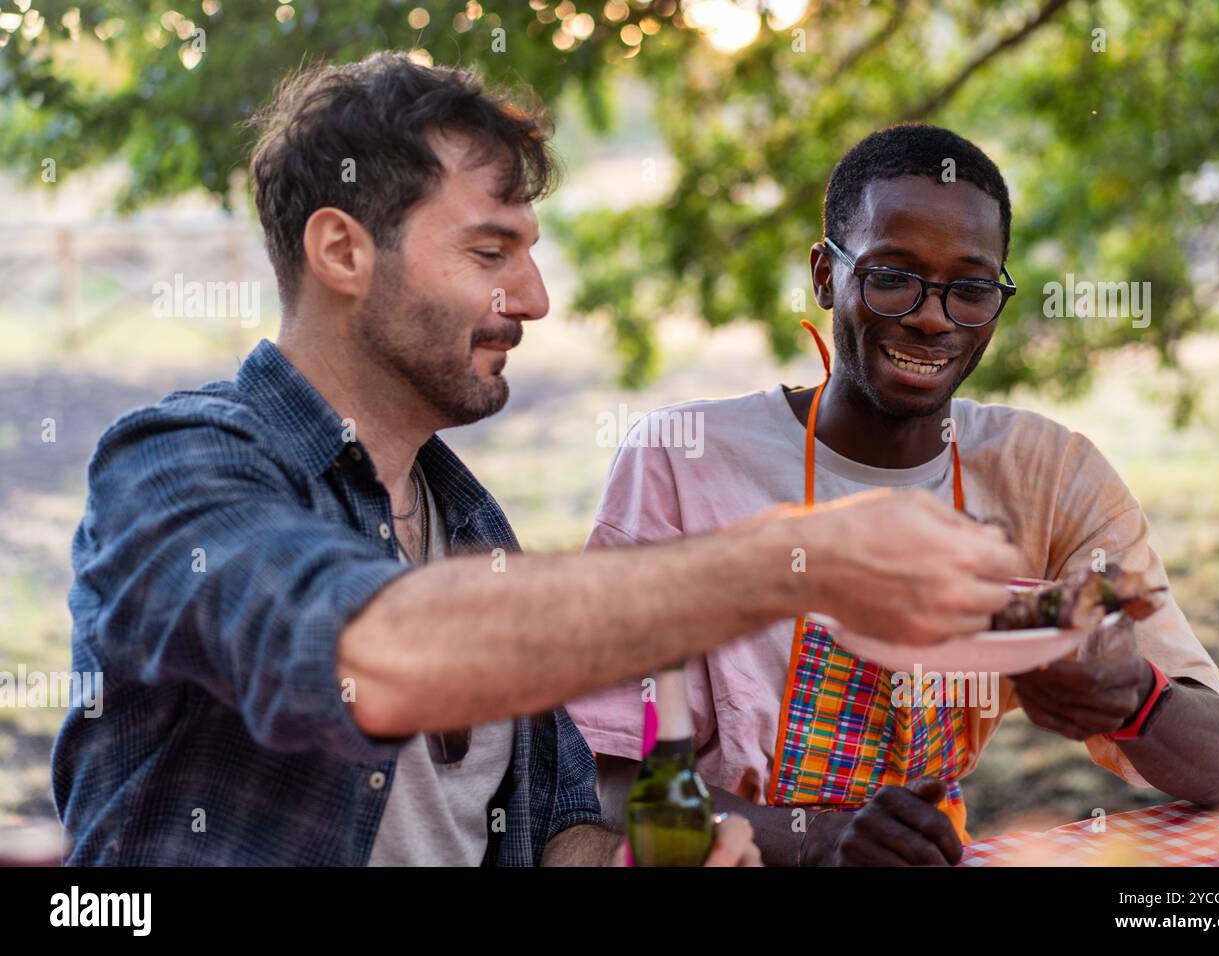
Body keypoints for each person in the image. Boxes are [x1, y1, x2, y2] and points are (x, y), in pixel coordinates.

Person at [52, 58, 1021, 866]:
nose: (535, 296)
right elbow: (373, 658)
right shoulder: (172, 468)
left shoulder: (467, 523)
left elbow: (561, 832)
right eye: (490, 252)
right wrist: (798, 560)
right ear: (343, 252)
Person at [568, 124, 1219, 867]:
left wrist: (1134, 699)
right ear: (826, 276)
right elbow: (612, 783)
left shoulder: (1049, 475)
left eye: (971, 289)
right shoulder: (683, 460)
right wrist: (821, 844)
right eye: (893, 276)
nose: (933, 316)